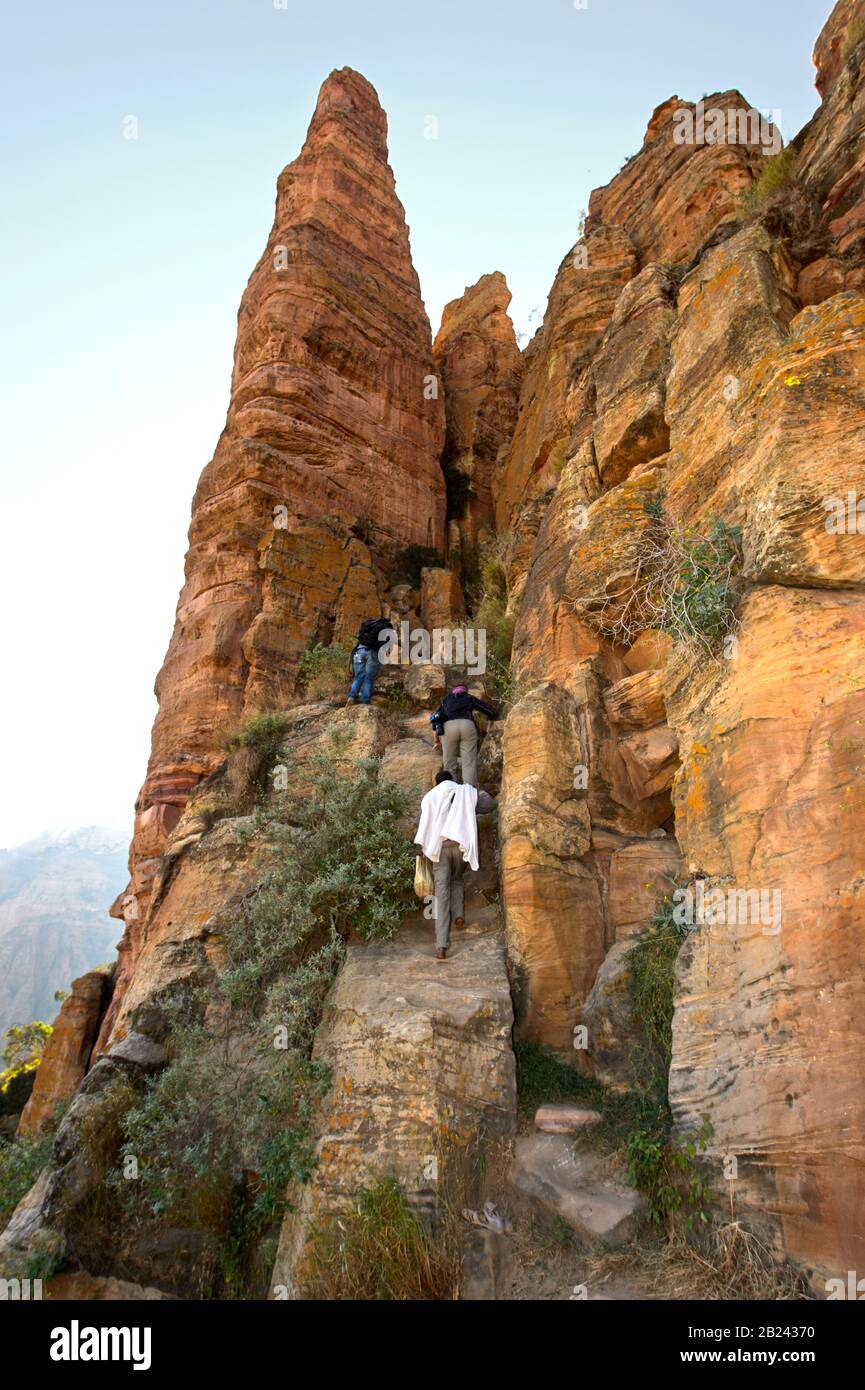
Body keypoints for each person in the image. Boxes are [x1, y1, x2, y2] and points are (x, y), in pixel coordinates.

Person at [414, 769, 496, 961]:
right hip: (460, 847)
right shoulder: (463, 792)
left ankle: (441, 945)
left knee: (441, 895)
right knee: (457, 878)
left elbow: (420, 823)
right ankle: (459, 915)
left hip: (440, 850)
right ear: (452, 780)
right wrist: (475, 792)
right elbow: (489, 804)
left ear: (437, 783)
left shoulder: (429, 798)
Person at [430, 684, 498, 788]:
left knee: (449, 764)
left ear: (453, 691)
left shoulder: (446, 700)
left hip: (448, 728)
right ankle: (469, 794)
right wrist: (489, 729)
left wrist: (436, 741)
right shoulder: (469, 697)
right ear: (465, 691)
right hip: (467, 726)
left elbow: (435, 720)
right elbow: (489, 711)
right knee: (469, 763)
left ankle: (451, 793)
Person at [346, 615, 394, 706]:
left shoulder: (369, 626)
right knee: (368, 678)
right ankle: (364, 701)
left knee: (358, 676)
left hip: (359, 651)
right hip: (371, 653)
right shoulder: (385, 628)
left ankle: (351, 697)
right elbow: (385, 647)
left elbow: (359, 641)